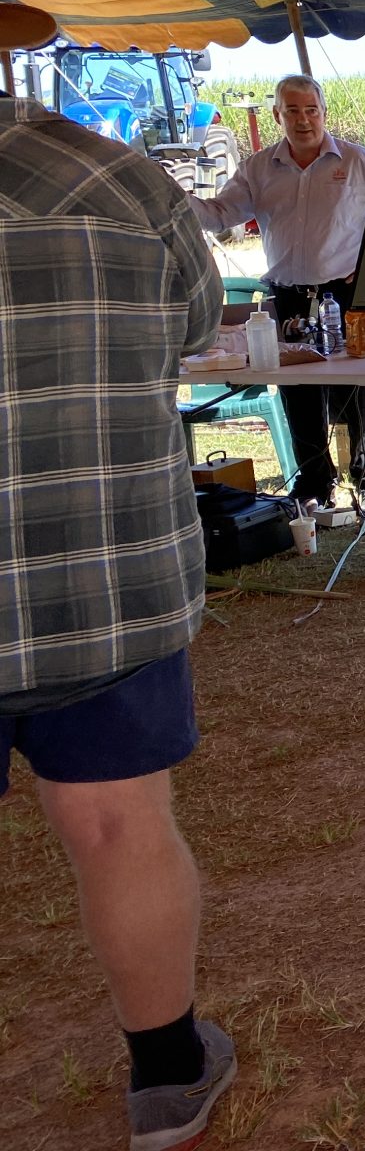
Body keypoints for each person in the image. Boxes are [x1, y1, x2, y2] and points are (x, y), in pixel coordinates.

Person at [1, 103, 238, 1147]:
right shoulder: (123, 184)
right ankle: (166, 1075)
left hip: (94, 579)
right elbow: (196, 326)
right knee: (117, 825)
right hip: (95, 579)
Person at [188, 74, 365, 516]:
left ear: (324, 112)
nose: (302, 119)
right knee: (297, 390)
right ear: (277, 115)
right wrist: (176, 201)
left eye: (311, 109)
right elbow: (220, 215)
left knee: (361, 386)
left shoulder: (356, 160)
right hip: (289, 296)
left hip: (349, 293)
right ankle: (313, 483)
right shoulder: (257, 168)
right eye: (292, 110)